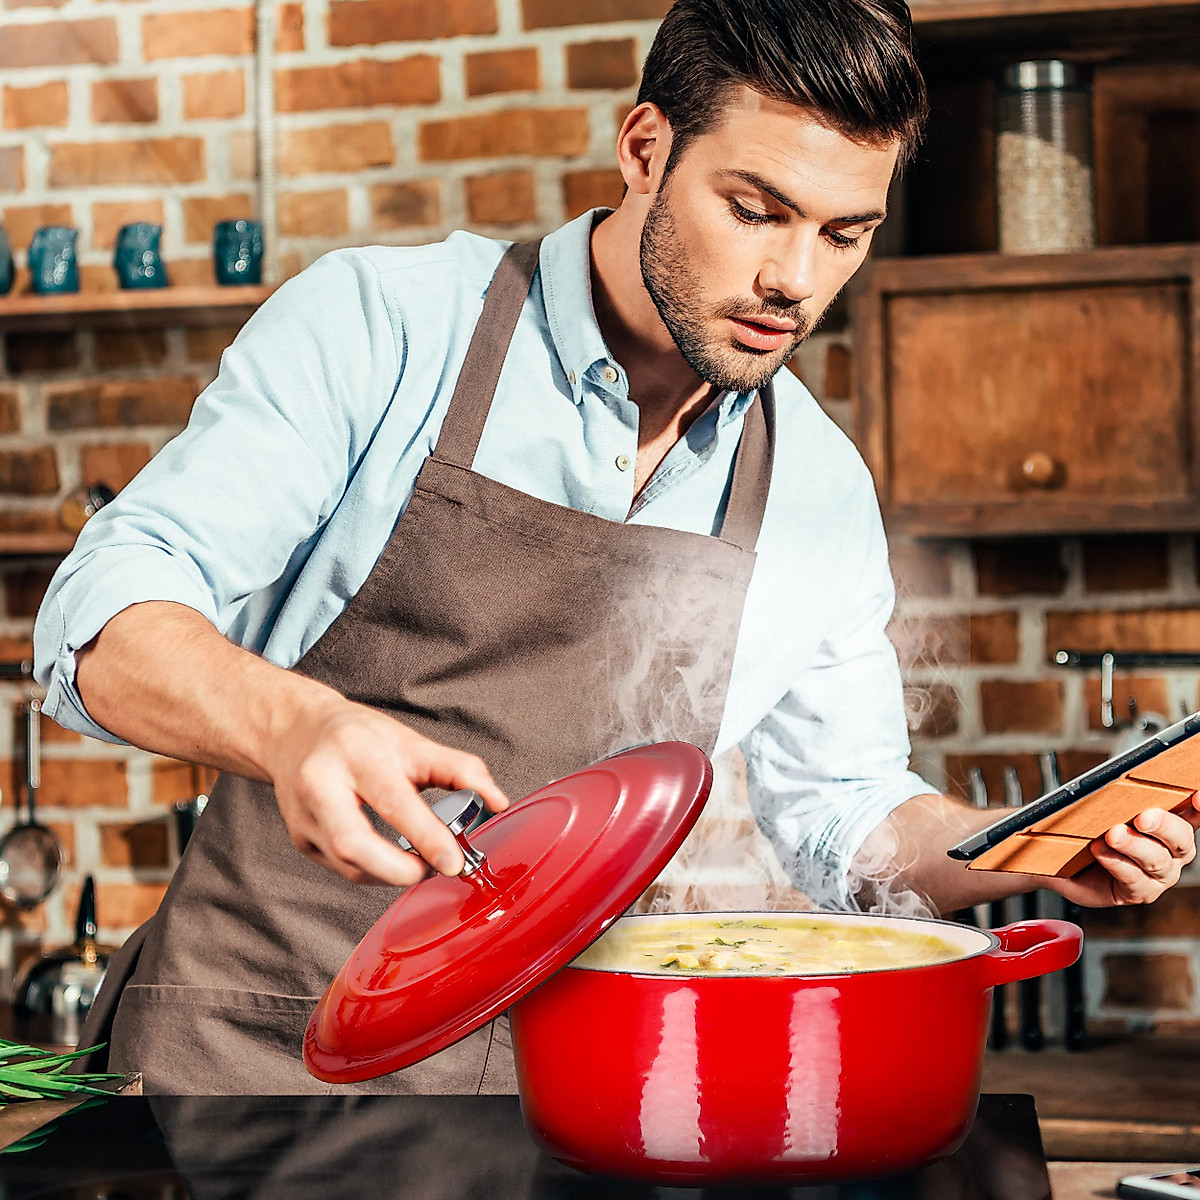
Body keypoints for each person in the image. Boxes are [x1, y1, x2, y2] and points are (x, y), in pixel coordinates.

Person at [37, 0, 1198, 1094]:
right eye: (757, 210)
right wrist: (299, 726)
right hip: (250, 1057)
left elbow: (844, 818)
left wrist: (1030, 847)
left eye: (846, 233)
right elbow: (101, 616)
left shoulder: (818, 483)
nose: (796, 281)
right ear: (645, 147)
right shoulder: (387, 327)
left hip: (573, 1092)